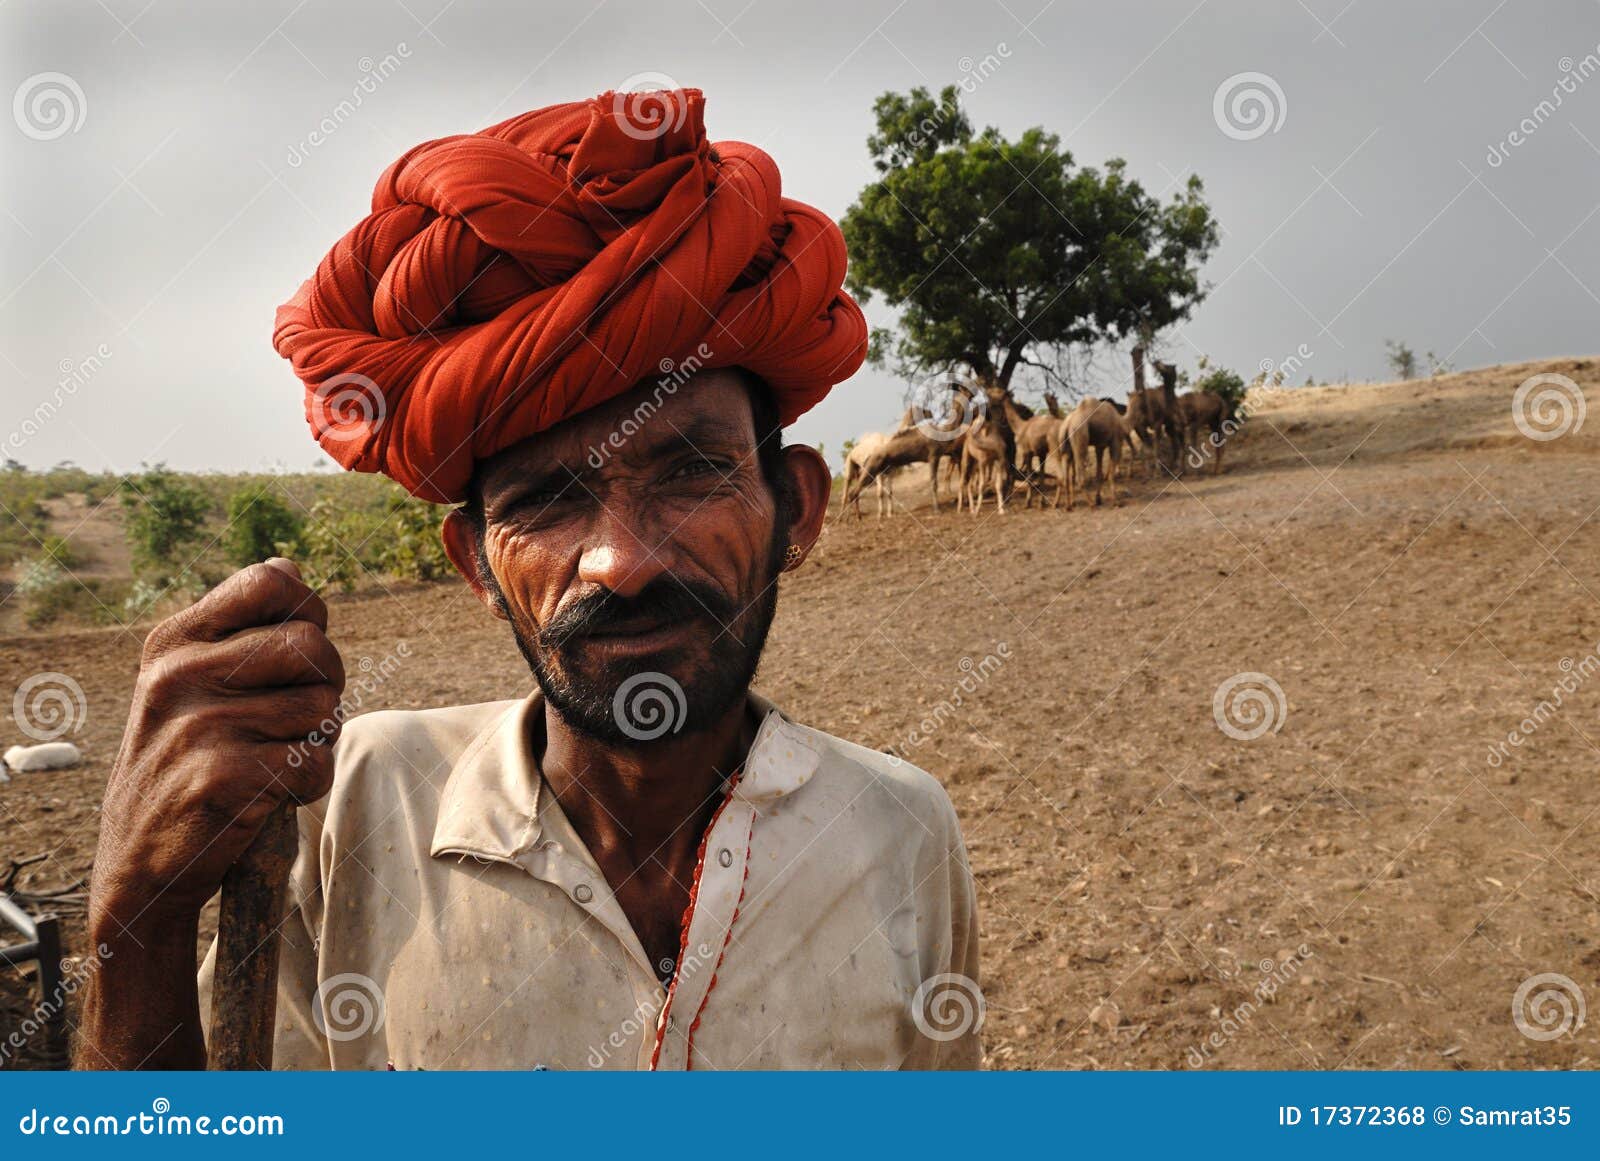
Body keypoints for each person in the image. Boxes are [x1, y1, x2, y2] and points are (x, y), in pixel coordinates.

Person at [77, 87, 979, 1071]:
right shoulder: (353, 804)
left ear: (796, 511)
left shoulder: (900, 825)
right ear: (477, 565)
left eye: (691, 472)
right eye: (546, 501)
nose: (622, 561)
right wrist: (137, 932)